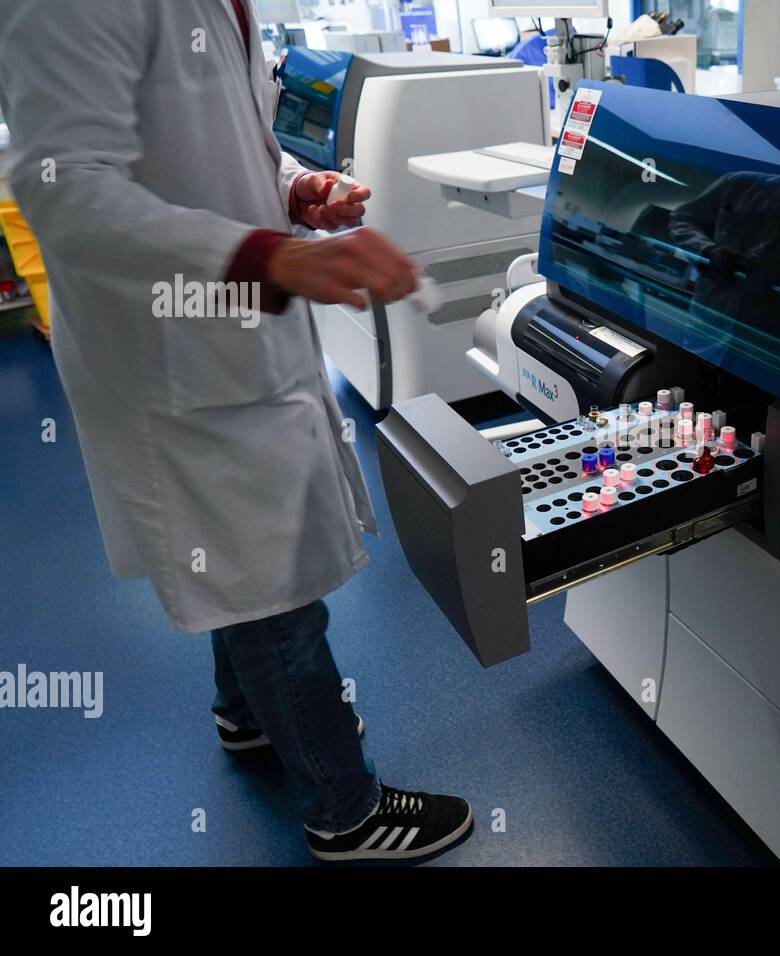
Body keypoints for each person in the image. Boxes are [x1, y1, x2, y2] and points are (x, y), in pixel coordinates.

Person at [0, 0, 471, 862]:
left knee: (242, 549)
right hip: (169, 345)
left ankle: (246, 712)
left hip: (230, 328)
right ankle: (346, 808)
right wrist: (273, 257)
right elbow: (62, 189)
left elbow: (221, 139)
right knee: (274, 581)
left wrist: (293, 189)